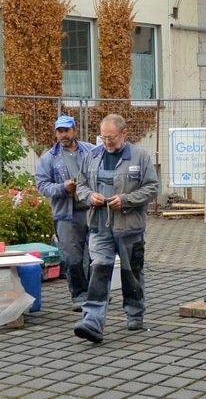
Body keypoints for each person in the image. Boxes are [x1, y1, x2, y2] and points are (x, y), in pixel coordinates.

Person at [72, 114, 158, 344]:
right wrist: (90, 196)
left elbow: (152, 188)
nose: (107, 142)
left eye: (111, 137)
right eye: (103, 137)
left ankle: (134, 313)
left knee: (131, 273)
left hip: (129, 227)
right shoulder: (92, 156)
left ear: (124, 134)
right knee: (99, 269)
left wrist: (127, 199)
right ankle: (92, 322)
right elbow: (80, 185)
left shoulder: (139, 157)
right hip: (99, 225)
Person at [34, 115, 94, 311]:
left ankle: (95, 294)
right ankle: (79, 296)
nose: (63, 135)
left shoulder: (91, 151)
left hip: (93, 210)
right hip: (66, 214)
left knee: (96, 256)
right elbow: (42, 185)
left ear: (74, 130)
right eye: (59, 131)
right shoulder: (48, 158)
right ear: (55, 133)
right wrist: (62, 188)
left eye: (66, 130)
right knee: (72, 258)